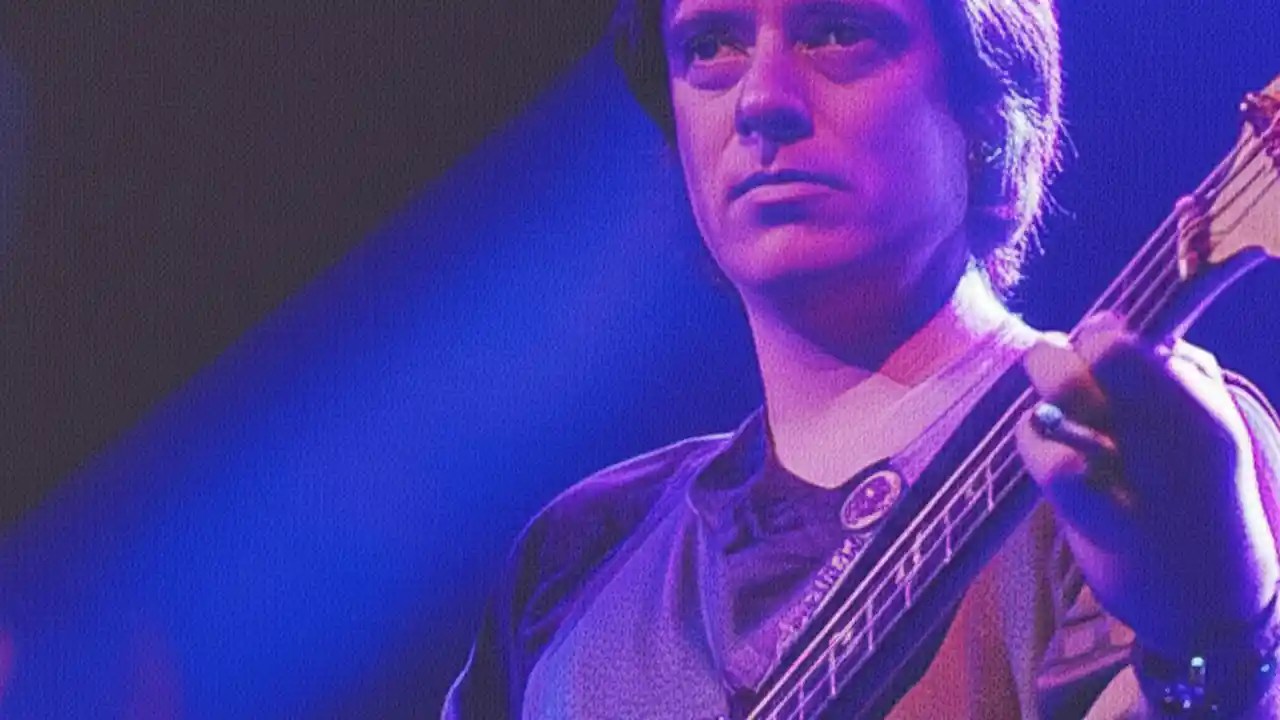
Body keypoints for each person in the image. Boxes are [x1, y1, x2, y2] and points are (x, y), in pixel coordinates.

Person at [443, 0, 1280, 716]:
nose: (760, 98)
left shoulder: (1134, 454)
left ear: (986, 120)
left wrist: (1219, 641)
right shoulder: (575, 561)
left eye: (836, 31)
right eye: (711, 45)